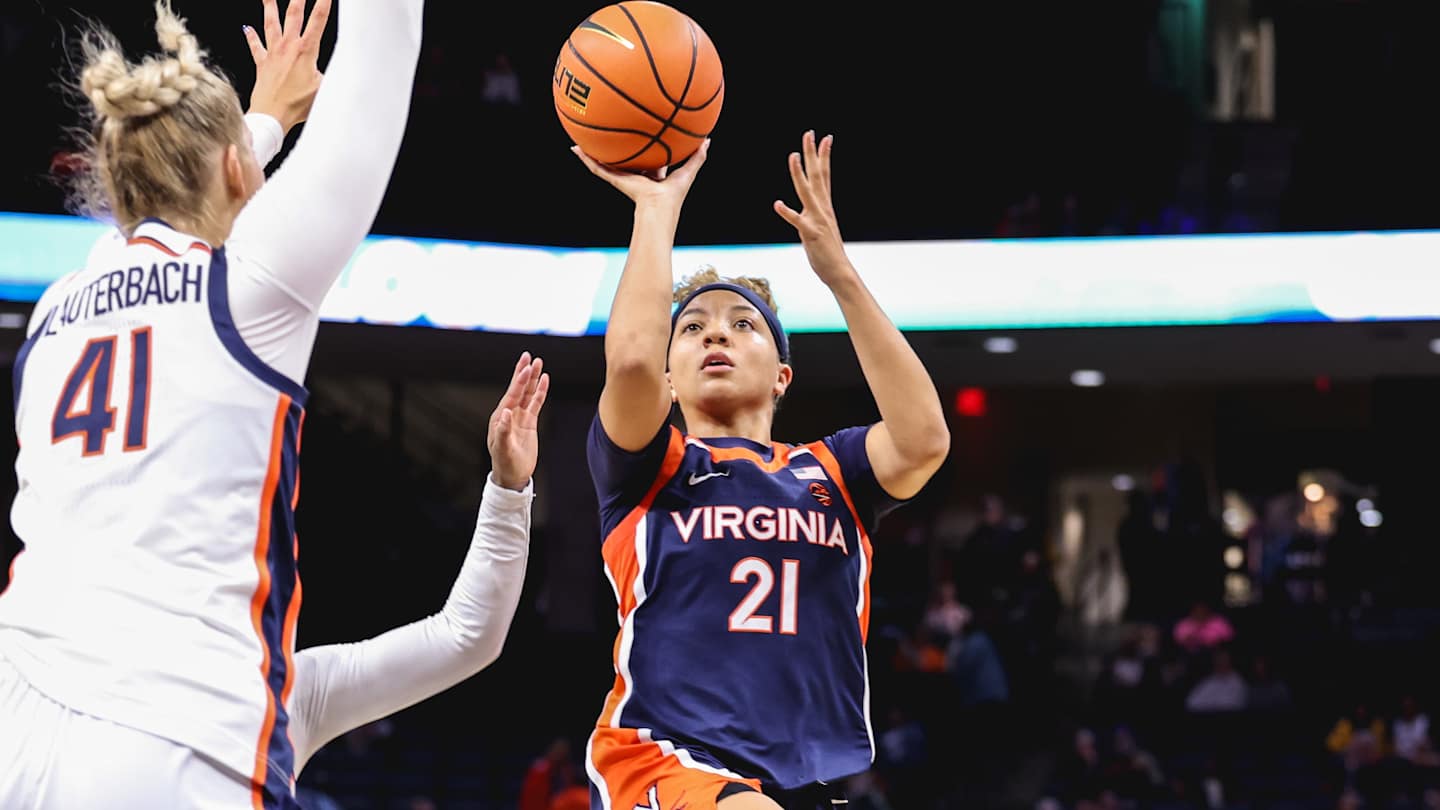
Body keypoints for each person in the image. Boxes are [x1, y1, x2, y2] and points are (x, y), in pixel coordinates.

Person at [0, 0, 424, 805]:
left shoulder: (56, 309)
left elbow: (162, 213)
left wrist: (258, 125)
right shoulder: (248, 290)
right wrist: (258, 129)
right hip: (175, 729)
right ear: (235, 172)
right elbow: (384, 43)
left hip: (15, 713)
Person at [572, 130, 951, 809]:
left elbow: (924, 439)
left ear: (782, 376)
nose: (715, 333)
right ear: (671, 379)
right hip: (662, 755)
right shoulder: (649, 467)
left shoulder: (833, 471)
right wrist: (656, 208)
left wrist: (838, 273)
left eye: (742, 323)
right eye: (692, 328)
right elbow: (629, 362)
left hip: (802, 777)